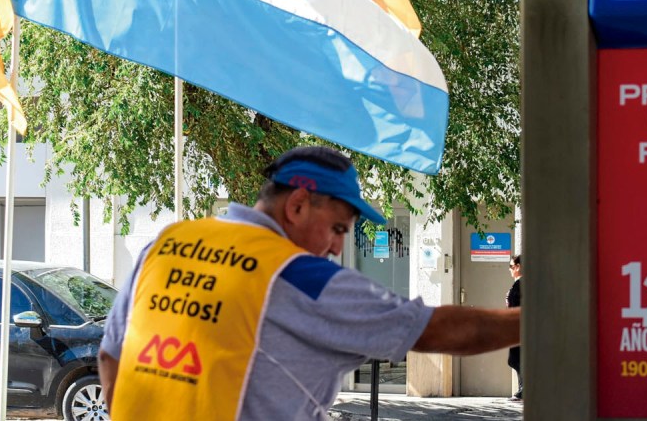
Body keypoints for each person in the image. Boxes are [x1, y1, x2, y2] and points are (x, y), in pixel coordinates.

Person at [99, 146, 521, 420]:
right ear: (298, 205)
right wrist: (543, 318)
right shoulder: (300, 276)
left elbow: (111, 358)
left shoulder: (166, 245)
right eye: (338, 228)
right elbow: (438, 329)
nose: (338, 248)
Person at [506, 254, 523, 401]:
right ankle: (522, 388)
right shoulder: (517, 284)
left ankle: (524, 389)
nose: (510, 270)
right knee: (515, 358)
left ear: (518, 267)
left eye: (511, 267)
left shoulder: (521, 284)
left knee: (517, 358)